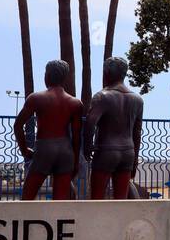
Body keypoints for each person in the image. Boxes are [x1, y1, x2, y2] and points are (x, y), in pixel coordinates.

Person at [14, 60, 84, 200]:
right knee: (60, 201)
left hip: (44, 148)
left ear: (47, 76)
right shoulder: (75, 103)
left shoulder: (36, 98)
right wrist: (76, 161)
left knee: (27, 198)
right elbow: (77, 137)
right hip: (66, 151)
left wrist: (24, 150)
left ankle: (26, 220)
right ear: (65, 78)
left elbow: (18, 125)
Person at [84, 56, 144, 200]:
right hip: (128, 152)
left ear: (107, 73)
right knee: (121, 200)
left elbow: (90, 123)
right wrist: (134, 160)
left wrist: (87, 148)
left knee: (97, 199)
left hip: (106, 150)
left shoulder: (102, 96)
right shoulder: (137, 99)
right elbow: (137, 132)